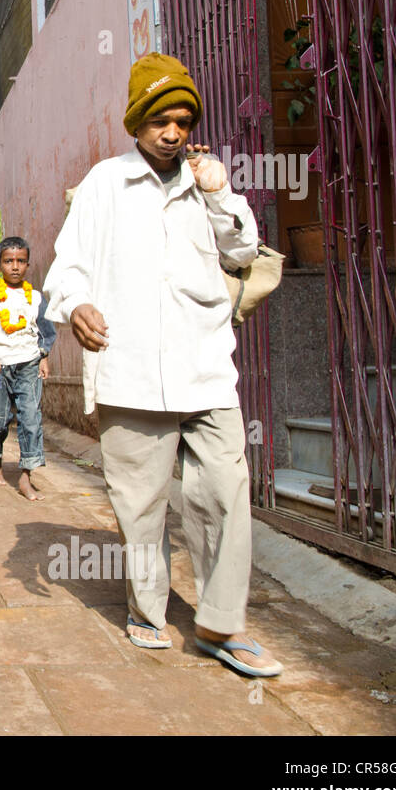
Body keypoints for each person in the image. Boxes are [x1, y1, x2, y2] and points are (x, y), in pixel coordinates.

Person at [42, 52, 282, 677]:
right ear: (136, 123)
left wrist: (222, 192)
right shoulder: (103, 184)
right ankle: (148, 612)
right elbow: (66, 267)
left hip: (205, 367)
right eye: (159, 121)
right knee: (141, 507)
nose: (172, 133)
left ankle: (220, 624)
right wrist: (77, 305)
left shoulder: (206, 184)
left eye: (182, 120)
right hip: (130, 372)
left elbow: (244, 251)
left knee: (226, 495)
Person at [0, 237, 56, 500]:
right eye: (8, 261)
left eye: (20, 261)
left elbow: (46, 333)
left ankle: (26, 476)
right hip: (0, 366)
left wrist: (44, 357)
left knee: (30, 419)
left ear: (28, 264)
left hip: (29, 364)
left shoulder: (36, 298)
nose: (14, 267)